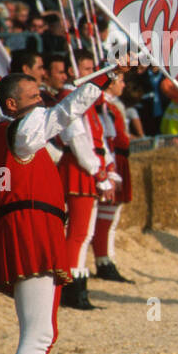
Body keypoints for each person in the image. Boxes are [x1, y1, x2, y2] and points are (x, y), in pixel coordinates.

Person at [0, 66, 125, 354]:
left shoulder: (1, 138)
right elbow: (63, 114)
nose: (40, 102)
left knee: (40, 330)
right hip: (32, 227)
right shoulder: (23, 132)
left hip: (23, 226)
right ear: (13, 104)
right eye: (33, 97)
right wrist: (99, 82)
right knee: (38, 333)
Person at [57, 51, 116, 310]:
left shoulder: (88, 97)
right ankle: (71, 287)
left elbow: (96, 136)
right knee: (79, 232)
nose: (91, 71)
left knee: (86, 231)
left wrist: (104, 168)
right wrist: (97, 170)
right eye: (86, 67)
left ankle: (78, 284)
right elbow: (77, 137)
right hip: (79, 168)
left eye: (93, 67)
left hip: (88, 166)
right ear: (73, 70)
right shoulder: (70, 97)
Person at [92, 68, 136, 284]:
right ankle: (103, 260)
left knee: (113, 215)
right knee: (105, 215)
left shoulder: (113, 106)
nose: (123, 85)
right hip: (112, 159)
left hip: (119, 158)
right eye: (120, 80)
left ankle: (108, 258)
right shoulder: (103, 106)